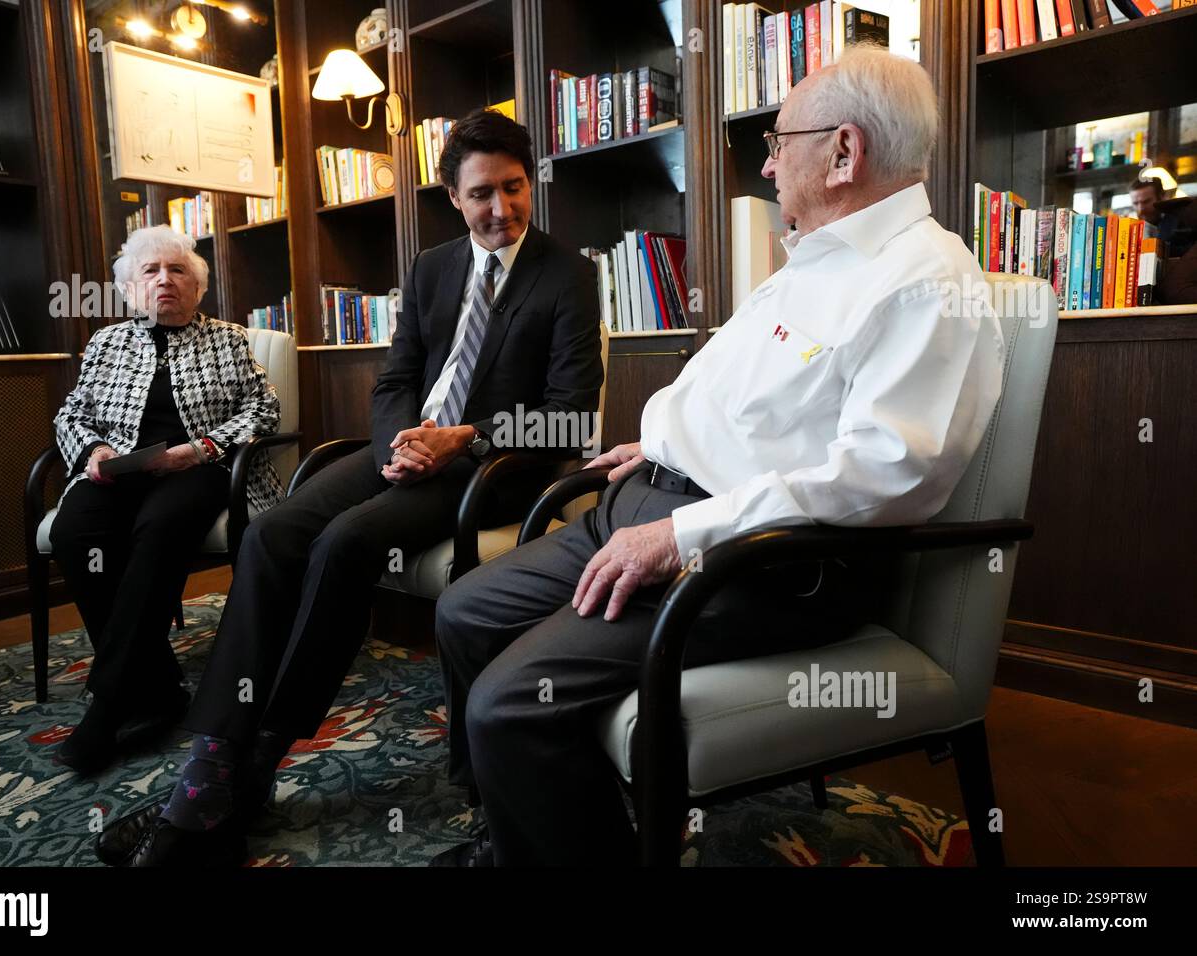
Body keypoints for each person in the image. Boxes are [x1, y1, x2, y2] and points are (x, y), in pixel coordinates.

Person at [431, 45, 1007, 866]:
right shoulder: (809, 259)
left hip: (760, 561)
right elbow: (749, 407)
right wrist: (660, 442)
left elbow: (888, 475)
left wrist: (682, 534)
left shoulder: (925, 281)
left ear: (843, 151)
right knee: (463, 613)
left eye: (778, 141)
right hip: (653, 501)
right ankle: (522, 827)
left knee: (507, 702)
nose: (769, 165)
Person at [98, 108, 604, 866]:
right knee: (270, 534)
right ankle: (216, 758)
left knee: (344, 544)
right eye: (480, 194)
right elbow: (396, 376)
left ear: (530, 183)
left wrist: (460, 438)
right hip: (405, 450)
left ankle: (248, 767)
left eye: (514, 187)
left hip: (488, 471)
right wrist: (399, 441)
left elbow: (567, 420)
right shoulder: (433, 265)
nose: (500, 209)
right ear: (452, 197)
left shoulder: (568, 274)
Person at [49, 225, 282, 774]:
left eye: (177, 270)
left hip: (196, 469)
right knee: (73, 533)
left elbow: (264, 411)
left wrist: (201, 447)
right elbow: (71, 414)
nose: (164, 281)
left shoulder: (227, 338)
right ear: (129, 289)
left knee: (158, 530)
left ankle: (108, 703)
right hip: (119, 469)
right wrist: (93, 450)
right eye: (150, 272)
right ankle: (157, 684)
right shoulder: (106, 344)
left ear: (198, 287)